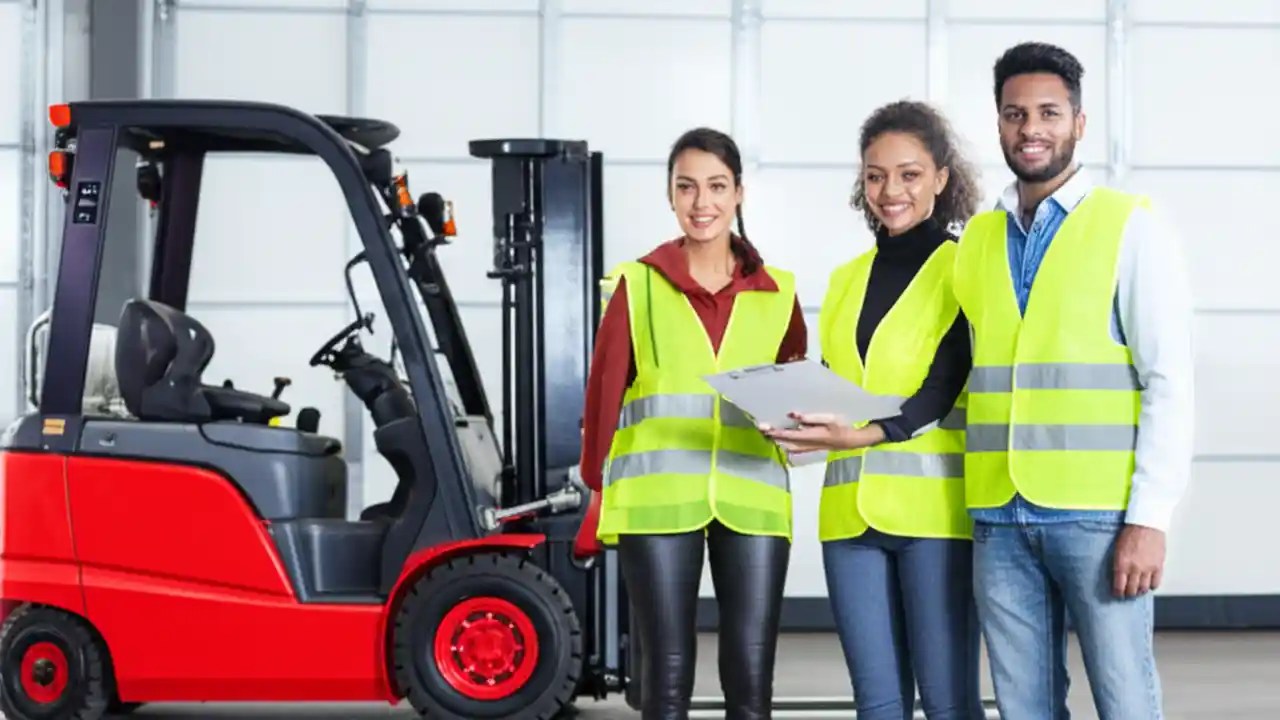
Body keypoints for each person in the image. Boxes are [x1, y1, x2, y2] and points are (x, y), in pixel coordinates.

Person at [949, 42, 1194, 719]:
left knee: (1125, 698)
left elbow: (1169, 381)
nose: (1031, 129)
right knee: (1023, 707)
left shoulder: (1130, 226)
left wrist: (1149, 518)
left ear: (1079, 124)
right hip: (999, 515)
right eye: (1015, 114)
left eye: (1049, 113)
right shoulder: (976, 240)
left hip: (1098, 517)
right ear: (999, 124)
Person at [761, 100, 986, 720]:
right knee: (877, 704)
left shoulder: (965, 268)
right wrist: (792, 417)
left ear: (941, 178)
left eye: (909, 175)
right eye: (876, 176)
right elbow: (839, 384)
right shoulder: (846, 279)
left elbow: (945, 383)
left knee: (947, 703)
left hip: (934, 520)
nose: (891, 192)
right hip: (848, 520)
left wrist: (866, 435)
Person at [576, 126, 808, 719]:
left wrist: (802, 427)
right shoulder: (637, 285)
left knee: (752, 678)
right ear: (670, 195)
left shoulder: (779, 292)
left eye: (716, 186)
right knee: (667, 674)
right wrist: (595, 490)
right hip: (657, 501)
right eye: (687, 187)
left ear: (739, 192)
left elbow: (795, 393)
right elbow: (603, 394)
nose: (702, 202)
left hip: (753, 497)